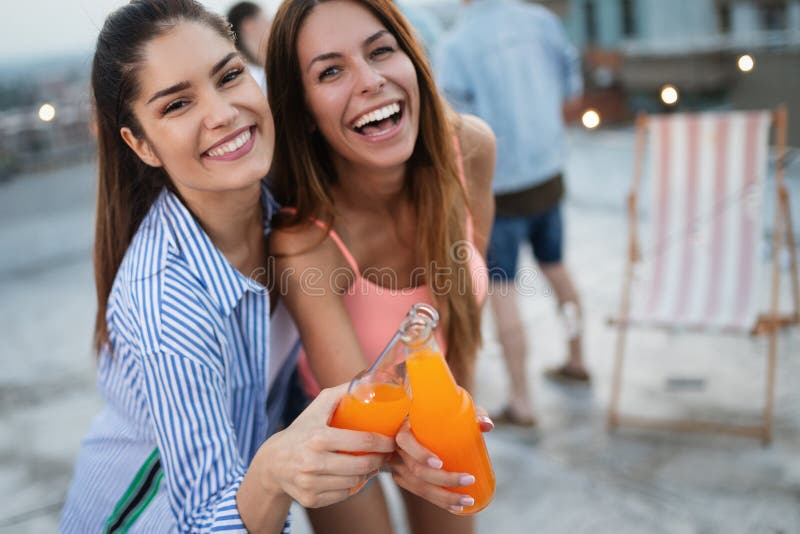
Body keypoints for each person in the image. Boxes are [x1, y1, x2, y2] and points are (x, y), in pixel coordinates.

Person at [59, 1, 397, 531]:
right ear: (141, 144)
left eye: (230, 76)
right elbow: (204, 521)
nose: (222, 113)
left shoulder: (282, 187)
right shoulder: (164, 300)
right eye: (176, 106)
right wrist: (270, 472)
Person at [266, 1, 496, 533]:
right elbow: (354, 402)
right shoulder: (305, 239)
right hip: (341, 418)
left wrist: (455, 416)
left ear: (411, 58)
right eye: (330, 71)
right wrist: (410, 456)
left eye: (380, 51)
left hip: (433, 395)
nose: (370, 81)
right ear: (303, 110)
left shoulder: (471, 151)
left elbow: (463, 318)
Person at [436, 0, 589, 428]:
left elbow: (455, 128)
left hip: (498, 184)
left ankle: (521, 401)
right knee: (557, 268)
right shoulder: (542, 22)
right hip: (548, 168)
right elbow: (572, 89)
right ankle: (577, 357)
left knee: (503, 291)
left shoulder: (457, 44)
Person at [227, 1, 271, 93]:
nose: (271, 30)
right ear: (249, 26)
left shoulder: (233, 75)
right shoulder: (257, 78)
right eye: (267, 23)